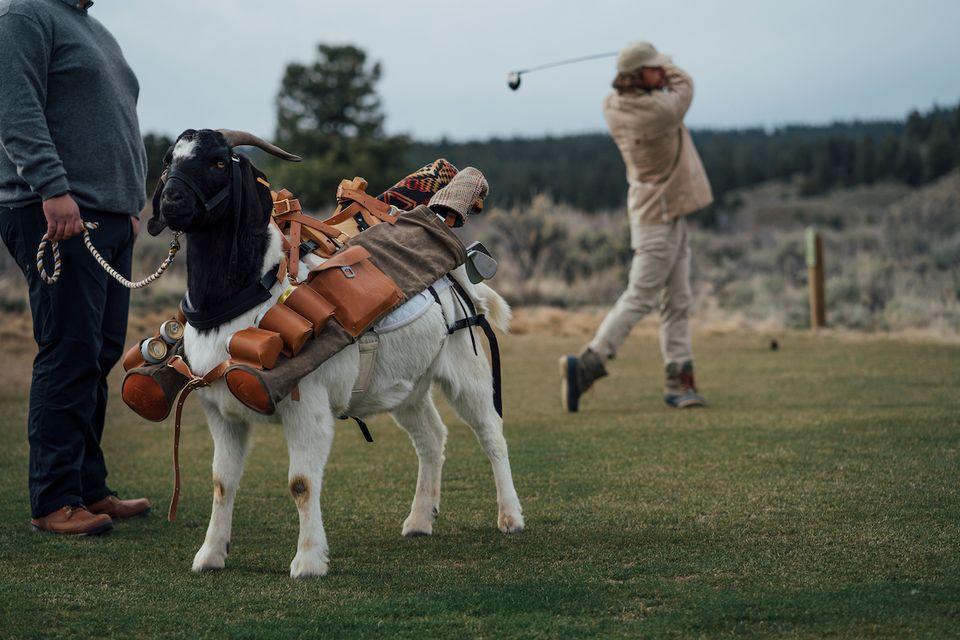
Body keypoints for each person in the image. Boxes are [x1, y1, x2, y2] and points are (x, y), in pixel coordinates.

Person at [0, 0, 151, 535]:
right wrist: (53, 189)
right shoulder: (24, 16)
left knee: (99, 351)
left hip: (107, 216)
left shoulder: (94, 29)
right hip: (57, 212)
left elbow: (115, 120)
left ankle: (89, 489)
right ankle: (53, 500)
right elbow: (16, 111)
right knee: (69, 349)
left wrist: (130, 206)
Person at [560, 41, 713, 412]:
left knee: (677, 300)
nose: (663, 72)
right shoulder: (657, 110)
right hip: (657, 218)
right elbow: (685, 85)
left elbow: (655, 84)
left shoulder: (614, 104)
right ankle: (588, 364)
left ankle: (679, 380)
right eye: (655, 67)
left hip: (666, 213)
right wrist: (670, 62)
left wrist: (645, 63)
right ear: (635, 76)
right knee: (641, 296)